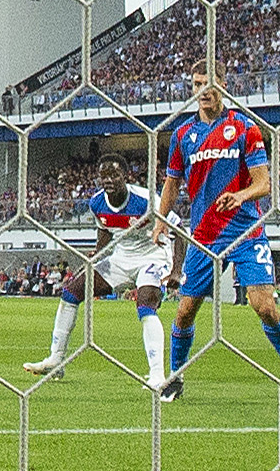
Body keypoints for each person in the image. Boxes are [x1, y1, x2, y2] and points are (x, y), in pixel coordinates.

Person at [153, 61, 280, 408]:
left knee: (263, 306)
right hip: (203, 236)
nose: (204, 90)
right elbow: (172, 182)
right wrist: (161, 219)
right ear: (191, 88)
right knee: (185, 311)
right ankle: (175, 377)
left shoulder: (244, 128)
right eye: (197, 84)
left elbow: (264, 183)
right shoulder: (182, 135)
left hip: (245, 231)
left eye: (210, 83)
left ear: (223, 85)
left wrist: (239, 196)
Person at [25, 156, 180, 386]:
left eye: (114, 175)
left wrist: (176, 271)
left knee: (146, 303)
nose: (108, 180)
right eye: (104, 176)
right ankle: (56, 360)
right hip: (121, 257)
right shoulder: (97, 203)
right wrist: (95, 258)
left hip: (154, 256)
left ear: (126, 176)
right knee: (71, 291)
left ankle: (157, 375)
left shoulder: (147, 200)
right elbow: (105, 234)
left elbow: (179, 232)